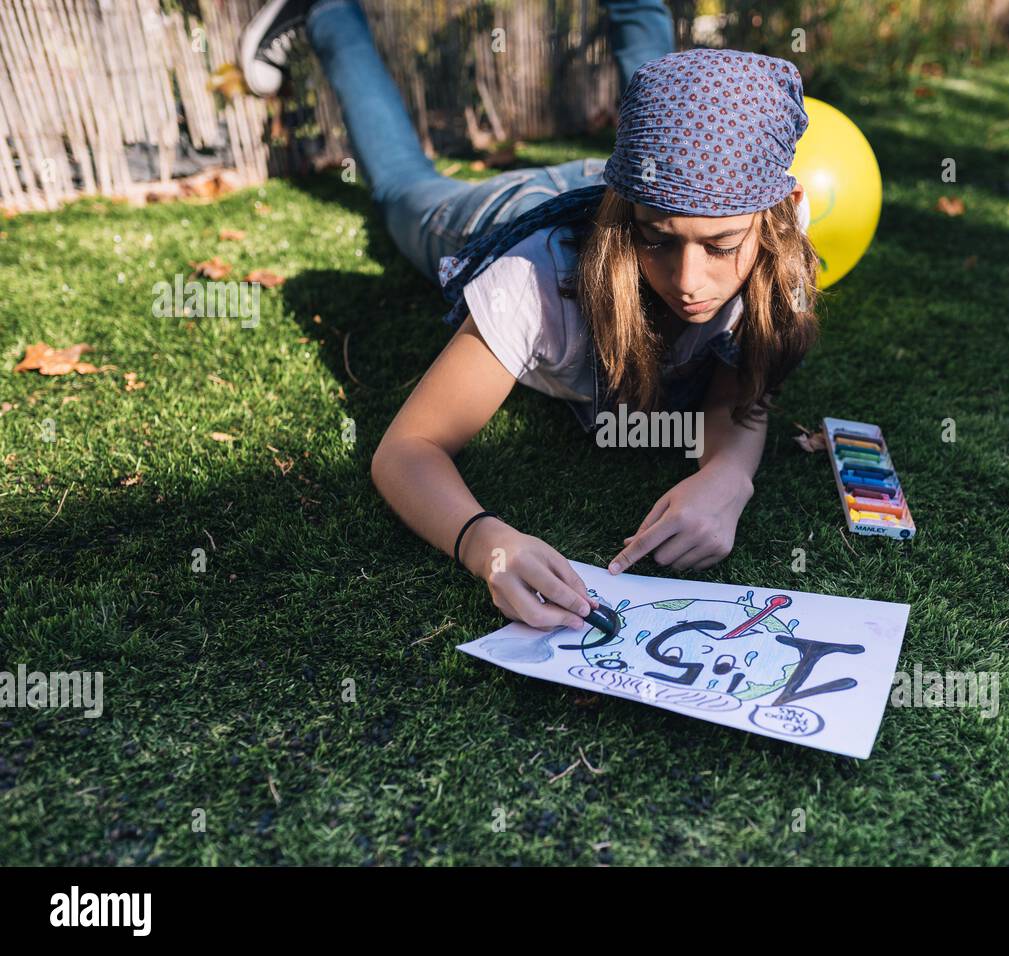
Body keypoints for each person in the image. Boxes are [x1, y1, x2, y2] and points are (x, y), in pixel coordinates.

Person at [240, 0, 822, 633]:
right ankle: (327, 13)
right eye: (658, 238)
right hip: (504, 213)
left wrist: (730, 474)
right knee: (402, 185)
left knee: (669, 91)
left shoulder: (775, 249)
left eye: (720, 246)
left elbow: (736, 390)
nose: (690, 283)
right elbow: (407, 450)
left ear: (782, 212)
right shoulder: (538, 279)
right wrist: (484, 543)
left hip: (631, 182)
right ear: (631, 213)